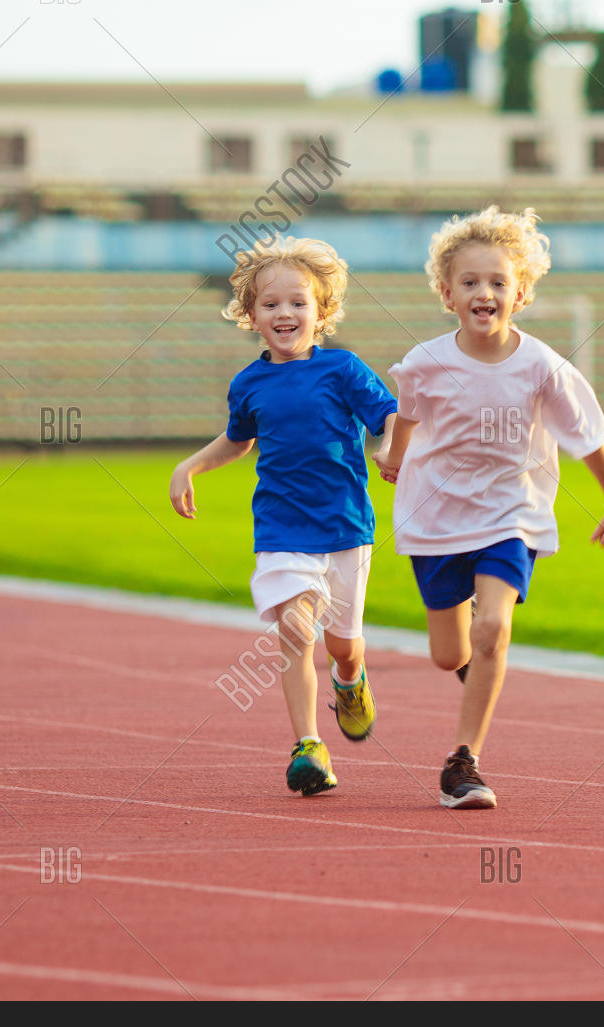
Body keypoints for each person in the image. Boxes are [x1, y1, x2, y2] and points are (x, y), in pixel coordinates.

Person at [373, 206, 604, 809]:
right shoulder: (425, 364)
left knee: (493, 627)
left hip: (511, 515)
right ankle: (471, 653)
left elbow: (587, 437)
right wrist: (392, 455)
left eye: (497, 282)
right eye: (469, 282)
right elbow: (406, 418)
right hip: (436, 518)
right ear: (447, 294)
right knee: (448, 655)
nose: (484, 292)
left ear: (521, 291)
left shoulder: (543, 367)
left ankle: (463, 762)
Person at [170, 237, 399, 796]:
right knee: (296, 629)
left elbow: (390, 419)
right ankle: (309, 747)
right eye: (271, 304)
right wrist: (191, 467)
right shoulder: (248, 383)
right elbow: (238, 440)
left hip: (346, 528)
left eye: (298, 303)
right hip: (281, 527)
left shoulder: (344, 370)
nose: (285, 314)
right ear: (251, 315)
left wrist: (392, 450)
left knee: (343, 644)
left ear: (322, 311)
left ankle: (351, 681)